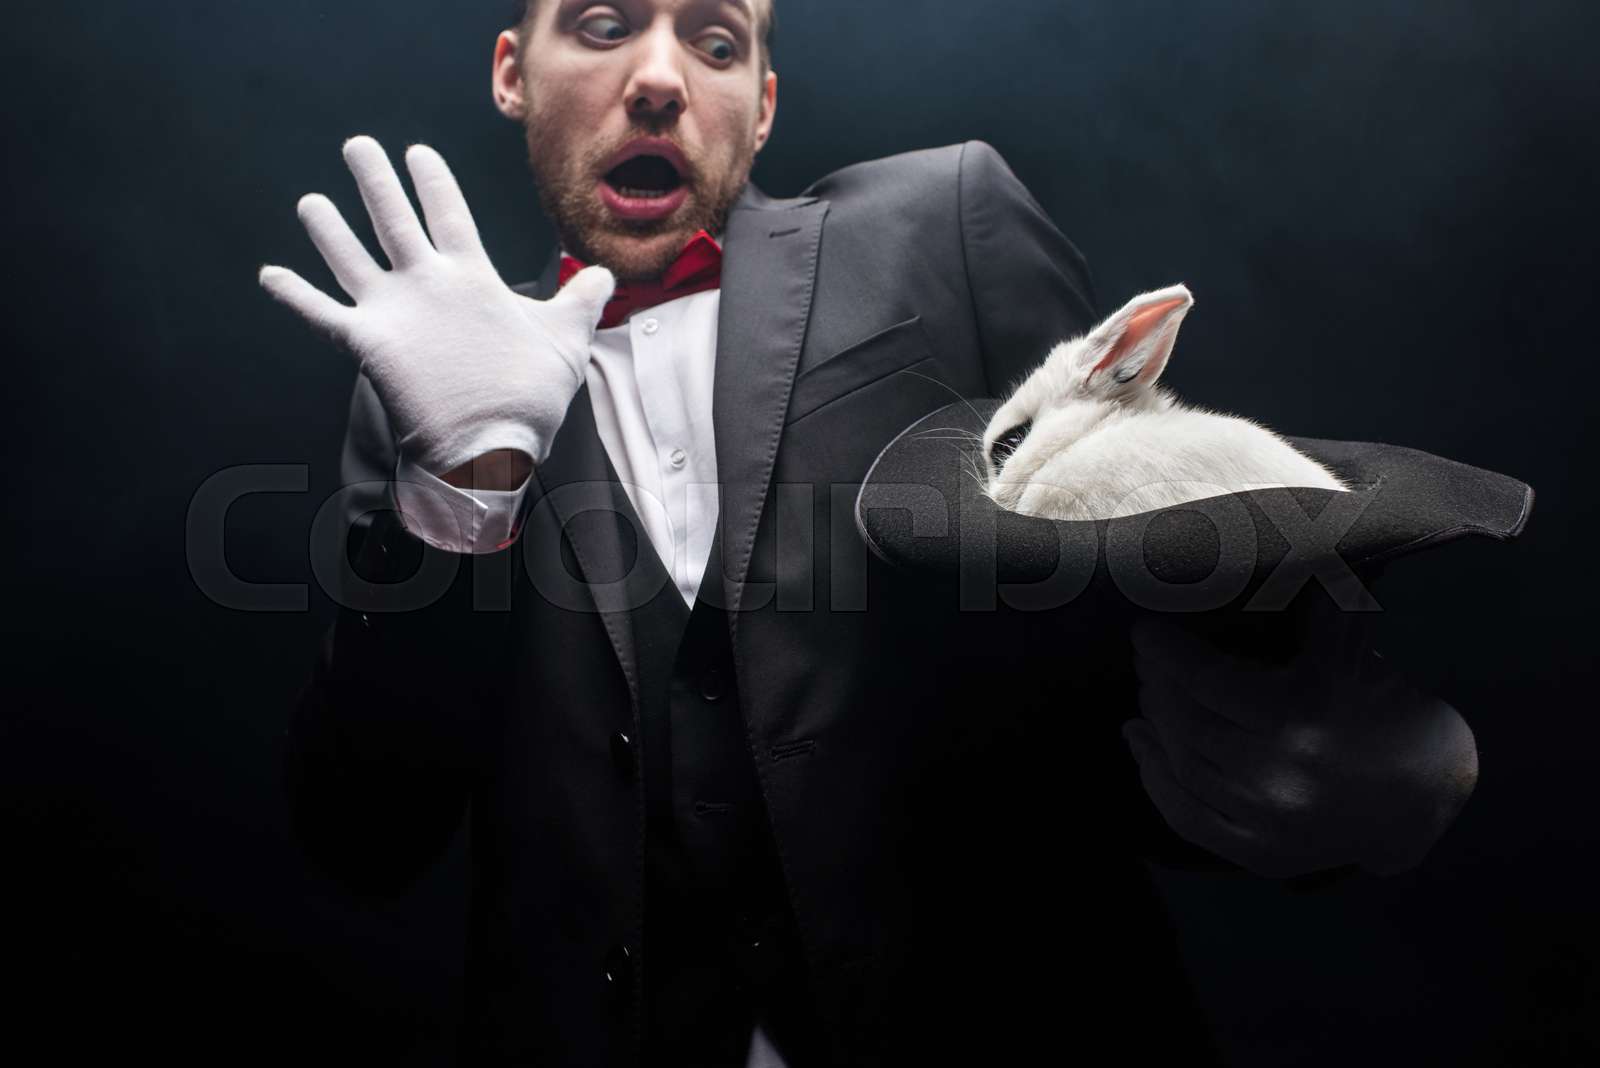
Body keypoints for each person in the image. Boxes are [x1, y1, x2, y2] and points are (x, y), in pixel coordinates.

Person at [261, 1, 1482, 1064]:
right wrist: (460, 490)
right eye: (599, 23)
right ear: (510, 71)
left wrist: (1335, 768)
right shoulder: (411, 385)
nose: (658, 73)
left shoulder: (940, 219)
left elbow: (1141, 627)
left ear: (764, 101)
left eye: (717, 40)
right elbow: (364, 836)